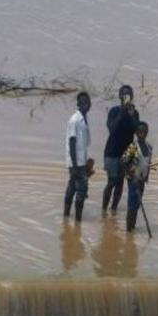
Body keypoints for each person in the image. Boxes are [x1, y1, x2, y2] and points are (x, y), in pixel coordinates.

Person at [101, 85, 140, 214]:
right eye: (124, 94)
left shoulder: (134, 112)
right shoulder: (113, 111)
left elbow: (137, 131)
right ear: (119, 96)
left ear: (132, 97)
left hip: (127, 152)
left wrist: (130, 115)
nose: (126, 97)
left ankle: (113, 211)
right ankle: (104, 210)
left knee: (120, 184)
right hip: (112, 151)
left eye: (128, 94)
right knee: (111, 181)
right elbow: (111, 129)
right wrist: (122, 113)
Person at [64, 92, 91, 222]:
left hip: (81, 161)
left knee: (73, 187)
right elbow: (72, 142)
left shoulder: (84, 119)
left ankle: (66, 217)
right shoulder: (74, 120)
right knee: (81, 191)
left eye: (88, 102)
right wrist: (74, 165)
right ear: (78, 104)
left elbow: (83, 144)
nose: (86, 104)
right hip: (76, 162)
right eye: (83, 102)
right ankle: (77, 223)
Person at [121, 121, 152, 233]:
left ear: (147, 132)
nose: (142, 134)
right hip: (133, 180)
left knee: (137, 205)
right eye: (139, 132)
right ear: (136, 133)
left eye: (144, 132)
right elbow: (123, 161)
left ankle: (132, 228)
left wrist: (147, 177)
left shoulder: (149, 147)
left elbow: (148, 163)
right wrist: (129, 172)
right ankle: (128, 231)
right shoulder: (133, 146)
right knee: (132, 205)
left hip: (142, 180)